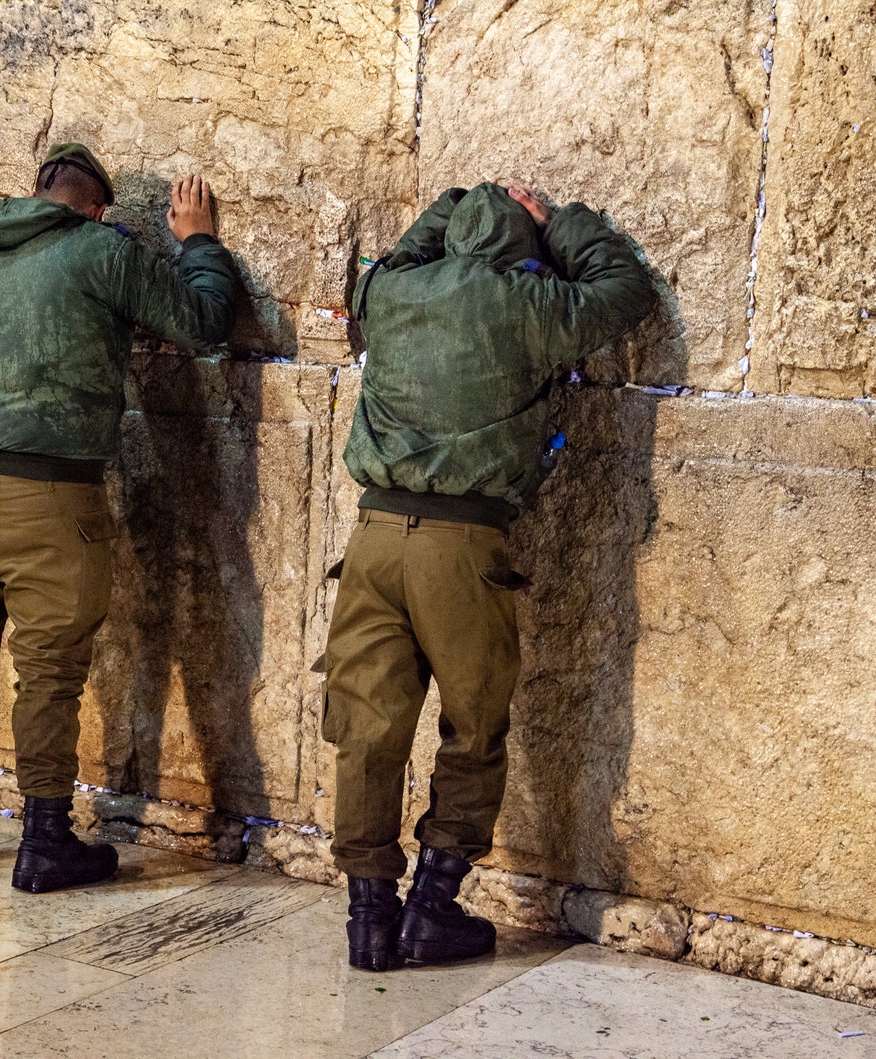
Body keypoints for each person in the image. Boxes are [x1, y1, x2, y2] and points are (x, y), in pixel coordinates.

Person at [324, 181, 655, 969]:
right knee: (472, 727)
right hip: (462, 547)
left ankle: (368, 917)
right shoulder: (528, 307)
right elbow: (626, 289)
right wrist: (558, 222)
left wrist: (454, 202)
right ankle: (432, 907)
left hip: (371, 538)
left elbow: (401, 254)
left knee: (366, 728)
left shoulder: (391, 292)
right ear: (521, 251)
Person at [0, 143, 241, 892]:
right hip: (53, 496)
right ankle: (45, 840)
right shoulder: (99, 253)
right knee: (48, 675)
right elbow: (205, 320)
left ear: (36, 192)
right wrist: (198, 244)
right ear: (95, 209)